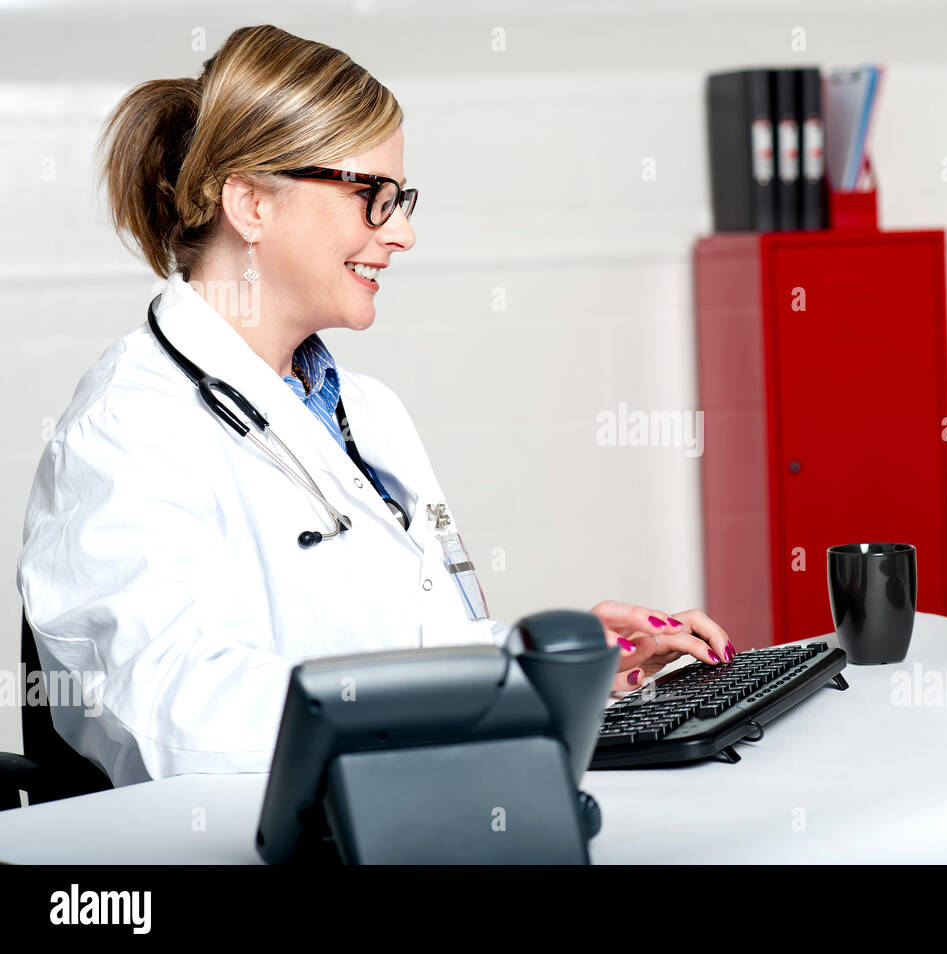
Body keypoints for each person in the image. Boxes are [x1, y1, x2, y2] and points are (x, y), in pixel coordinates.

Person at [15, 24, 733, 788]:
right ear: (251, 202)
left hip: (416, 809)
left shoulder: (364, 409)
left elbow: (417, 649)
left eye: (401, 200)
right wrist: (492, 702)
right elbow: (175, 722)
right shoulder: (127, 430)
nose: (404, 233)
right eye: (373, 198)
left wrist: (547, 674)